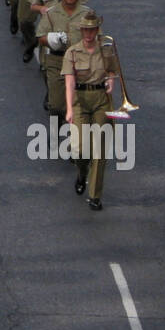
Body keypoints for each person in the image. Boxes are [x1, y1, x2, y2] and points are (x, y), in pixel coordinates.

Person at [62, 12, 119, 211]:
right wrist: (69, 109)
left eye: (92, 29)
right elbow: (69, 83)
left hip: (101, 100)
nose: (88, 33)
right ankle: (82, 172)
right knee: (79, 149)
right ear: (81, 30)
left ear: (97, 30)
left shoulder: (106, 49)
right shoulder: (72, 52)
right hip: (80, 101)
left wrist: (111, 79)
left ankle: (95, 196)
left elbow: (112, 69)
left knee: (100, 150)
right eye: (85, 29)